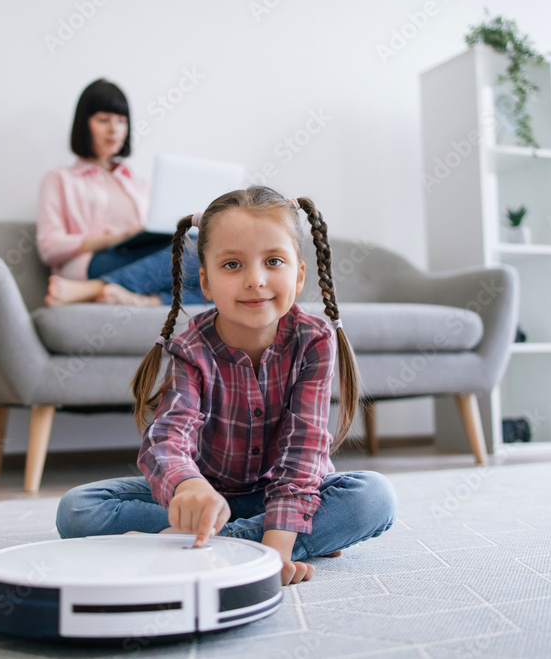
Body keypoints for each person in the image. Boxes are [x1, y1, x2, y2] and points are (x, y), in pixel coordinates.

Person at [56, 186, 397, 586]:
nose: (255, 280)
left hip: (284, 494)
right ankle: (270, 537)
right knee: (78, 509)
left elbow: (303, 452)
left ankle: (215, 546)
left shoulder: (313, 340)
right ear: (206, 281)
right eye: (232, 265)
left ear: (299, 273)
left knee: (373, 497)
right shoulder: (191, 347)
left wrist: (277, 547)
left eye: (273, 261)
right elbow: (168, 437)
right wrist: (188, 488)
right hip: (208, 496)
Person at [36, 78, 206, 307]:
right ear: (83, 125)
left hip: (143, 259)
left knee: (213, 267)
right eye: (103, 119)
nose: (114, 129)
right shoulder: (60, 179)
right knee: (193, 248)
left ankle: (141, 300)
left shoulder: (137, 183)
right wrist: (112, 239)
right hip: (96, 261)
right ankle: (95, 286)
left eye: (121, 120)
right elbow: (49, 247)